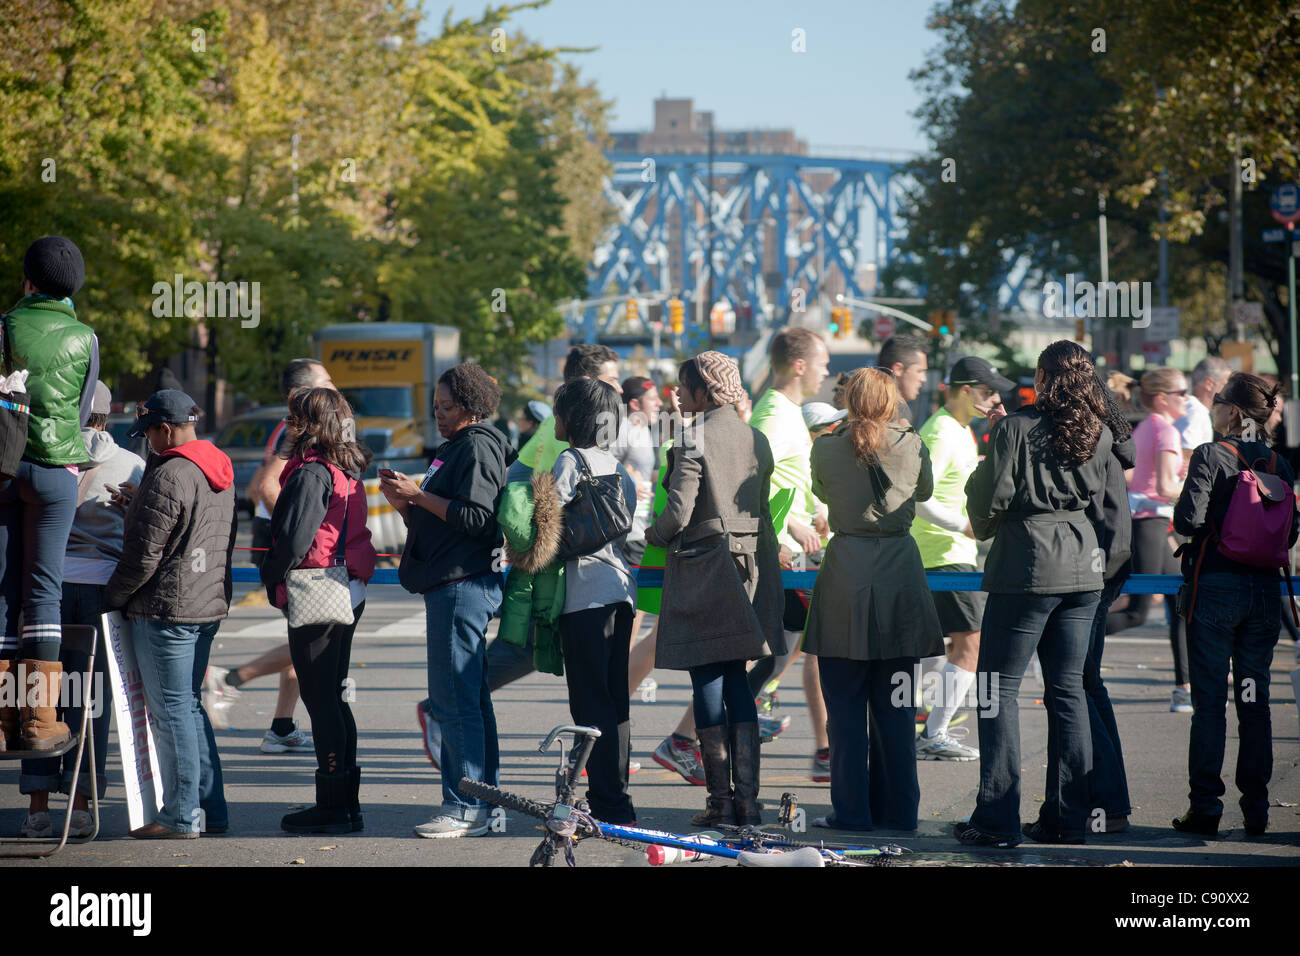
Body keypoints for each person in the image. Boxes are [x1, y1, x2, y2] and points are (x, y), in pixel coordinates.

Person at [414, 345, 619, 768]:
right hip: (555, 576)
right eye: (611, 380)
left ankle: (478, 791)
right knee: (537, 666)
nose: (618, 387)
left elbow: (497, 503)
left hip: (561, 578)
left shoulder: (487, 445)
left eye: (445, 406)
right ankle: (482, 787)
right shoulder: (565, 445)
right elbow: (508, 498)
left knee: (523, 671)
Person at [956, 341, 1111, 847]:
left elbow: (992, 495)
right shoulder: (1100, 431)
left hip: (1028, 560)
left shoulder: (1015, 428)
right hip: (1083, 563)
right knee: (1068, 692)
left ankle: (996, 819)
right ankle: (1069, 818)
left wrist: (998, 439)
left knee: (997, 690)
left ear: (1043, 378)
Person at [644, 352, 784, 826]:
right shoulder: (755, 436)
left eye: (684, 386)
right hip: (750, 568)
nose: (678, 394)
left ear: (704, 388)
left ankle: (719, 802)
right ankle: (748, 803)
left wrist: (652, 536)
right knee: (738, 680)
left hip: (704, 566)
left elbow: (679, 511)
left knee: (706, 677)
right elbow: (762, 506)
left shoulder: (692, 438)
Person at [802, 368, 942, 830]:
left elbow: (821, 491)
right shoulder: (912, 443)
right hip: (900, 573)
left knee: (843, 709)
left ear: (848, 401)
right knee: (898, 708)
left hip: (845, 571)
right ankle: (900, 812)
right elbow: (925, 492)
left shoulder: (825, 445)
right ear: (892, 400)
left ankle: (852, 812)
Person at [384, 364, 510, 838]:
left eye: (447, 406)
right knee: (468, 699)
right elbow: (444, 519)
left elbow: (479, 518)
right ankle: (485, 801)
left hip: (462, 585)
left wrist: (419, 495)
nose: (438, 414)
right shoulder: (458, 445)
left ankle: (466, 807)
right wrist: (407, 502)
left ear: (472, 405)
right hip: (454, 581)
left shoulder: (476, 445)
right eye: (435, 406)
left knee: (453, 700)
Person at [103, 390, 237, 838]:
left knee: (172, 713)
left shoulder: (170, 472)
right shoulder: (217, 466)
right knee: (190, 709)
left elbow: (144, 556)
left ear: (166, 428)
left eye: (151, 435)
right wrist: (138, 506)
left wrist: (114, 597)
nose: (149, 444)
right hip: (205, 603)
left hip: (166, 609)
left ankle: (180, 816)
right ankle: (209, 810)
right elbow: (196, 531)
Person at [1171, 372, 1298, 837]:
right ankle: (1256, 808)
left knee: (1209, 706)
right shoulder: (1278, 466)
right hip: (1263, 596)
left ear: (1234, 412)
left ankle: (1205, 807)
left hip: (1216, 592)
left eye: (1219, 399)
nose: (1213, 404)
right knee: (1254, 701)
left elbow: (1187, 520)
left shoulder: (1212, 455)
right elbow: (1291, 531)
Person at [18, 382, 145, 838]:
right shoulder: (132, 463)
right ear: (107, 416)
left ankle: (36, 808)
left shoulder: (39, 455)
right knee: (91, 699)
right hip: (101, 592)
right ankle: (84, 804)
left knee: (36, 693)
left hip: (43, 587)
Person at [260, 388, 377, 834]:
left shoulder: (312, 472)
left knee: (321, 699)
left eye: (293, 418)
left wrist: (271, 575)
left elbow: (291, 539)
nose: (288, 425)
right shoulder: (345, 467)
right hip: (348, 589)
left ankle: (333, 806)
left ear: (306, 424)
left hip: (318, 591)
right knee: (335, 697)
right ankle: (346, 803)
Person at [0, 236, 99, 751]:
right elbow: (82, 412)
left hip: (2, 469)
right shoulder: (85, 337)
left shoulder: (3, 326)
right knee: (44, 593)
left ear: (28, 280)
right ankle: (40, 722)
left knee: (0, 590)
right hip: (57, 470)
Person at [205, 358, 334, 754]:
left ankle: (280, 726)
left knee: (307, 633)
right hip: (284, 543)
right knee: (315, 636)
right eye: (326, 381)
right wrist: (300, 529)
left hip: (286, 540)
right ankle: (229, 678)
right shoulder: (293, 428)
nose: (334, 386)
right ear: (302, 393)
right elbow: (264, 486)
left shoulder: (302, 424)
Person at [912, 356, 1013, 761]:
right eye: (989, 393)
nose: (995, 400)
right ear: (967, 390)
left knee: (938, 649)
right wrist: (963, 526)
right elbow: (919, 496)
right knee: (971, 644)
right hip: (944, 555)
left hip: (944, 554)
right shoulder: (940, 432)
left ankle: (915, 725)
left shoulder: (958, 429)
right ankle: (932, 733)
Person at [549, 377, 640, 824]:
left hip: (584, 594)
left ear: (574, 419)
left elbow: (542, 525)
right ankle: (617, 798)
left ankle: (608, 804)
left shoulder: (569, 461)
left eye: (558, 409)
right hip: (621, 593)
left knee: (588, 701)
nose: (553, 417)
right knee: (614, 697)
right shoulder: (619, 468)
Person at [748, 327, 832, 780]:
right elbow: (748, 480)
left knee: (780, 654)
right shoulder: (775, 416)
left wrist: (807, 514)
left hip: (796, 555)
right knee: (808, 650)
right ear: (799, 365)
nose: (827, 370)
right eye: (822, 362)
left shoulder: (789, 413)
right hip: (782, 558)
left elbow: (781, 480)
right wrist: (781, 533)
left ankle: (695, 738)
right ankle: (691, 739)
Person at [1105, 367, 1191, 713]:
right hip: (1151, 523)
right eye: (1181, 393)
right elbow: (1167, 488)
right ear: (1162, 398)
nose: (1187, 399)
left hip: (1148, 523)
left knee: (1181, 599)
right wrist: (1201, 491)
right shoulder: (1166, 431)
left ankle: (1183, 689)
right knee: (1139, 612)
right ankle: (1058, 643)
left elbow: (1133, 479)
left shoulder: (1146, 427)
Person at [1080, 371, 1137, 834]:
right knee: (1086, 684)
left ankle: (1103, 804)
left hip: (1092, 575)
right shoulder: (1110, 443)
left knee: (1077, 685)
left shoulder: (1093, 445)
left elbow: (1108, 518)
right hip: (1104, 573)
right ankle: (1107, 804)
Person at [1175, 357, 1231, 466]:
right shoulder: (1196, 411)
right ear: (1209, 384)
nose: (1229, 391)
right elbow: (1186, 454)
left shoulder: (1194, 408)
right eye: (1225, 384)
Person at [877, 334, 929, 423]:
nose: (924, 379)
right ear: (898, 369)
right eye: (919, 371)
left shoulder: (858, 403)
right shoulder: (896, 415)